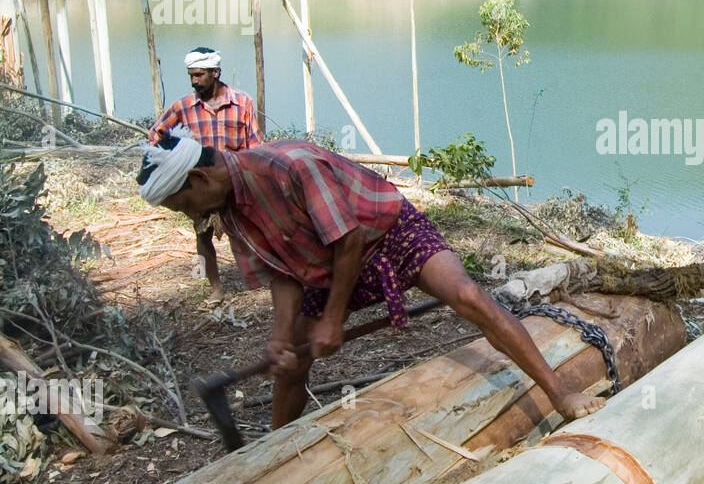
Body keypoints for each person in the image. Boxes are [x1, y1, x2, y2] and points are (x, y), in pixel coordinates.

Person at [135, 131, 605, 426]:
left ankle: (560, 392)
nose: (186, 214)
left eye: (182, 204)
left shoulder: (291, 165)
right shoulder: (230, 213)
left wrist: (334, 319)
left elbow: (351, 240)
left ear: (198, 179)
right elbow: (283, 275)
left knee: (469, 296)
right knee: (292, 362)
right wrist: (281, 338)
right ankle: (271, 454)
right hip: (326, 265)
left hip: (387, 232)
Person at [149, 47, 261, 304]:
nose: (194, 81)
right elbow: (156, 134)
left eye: (199, 75)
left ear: (215, 73)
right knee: (203, 234)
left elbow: (254, 146)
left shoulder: (242, 103)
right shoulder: (183, 107)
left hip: (234, 180)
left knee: (247, 230)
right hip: (202, 185)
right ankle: (216, 287)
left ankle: (258, 276)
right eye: (191, 75)